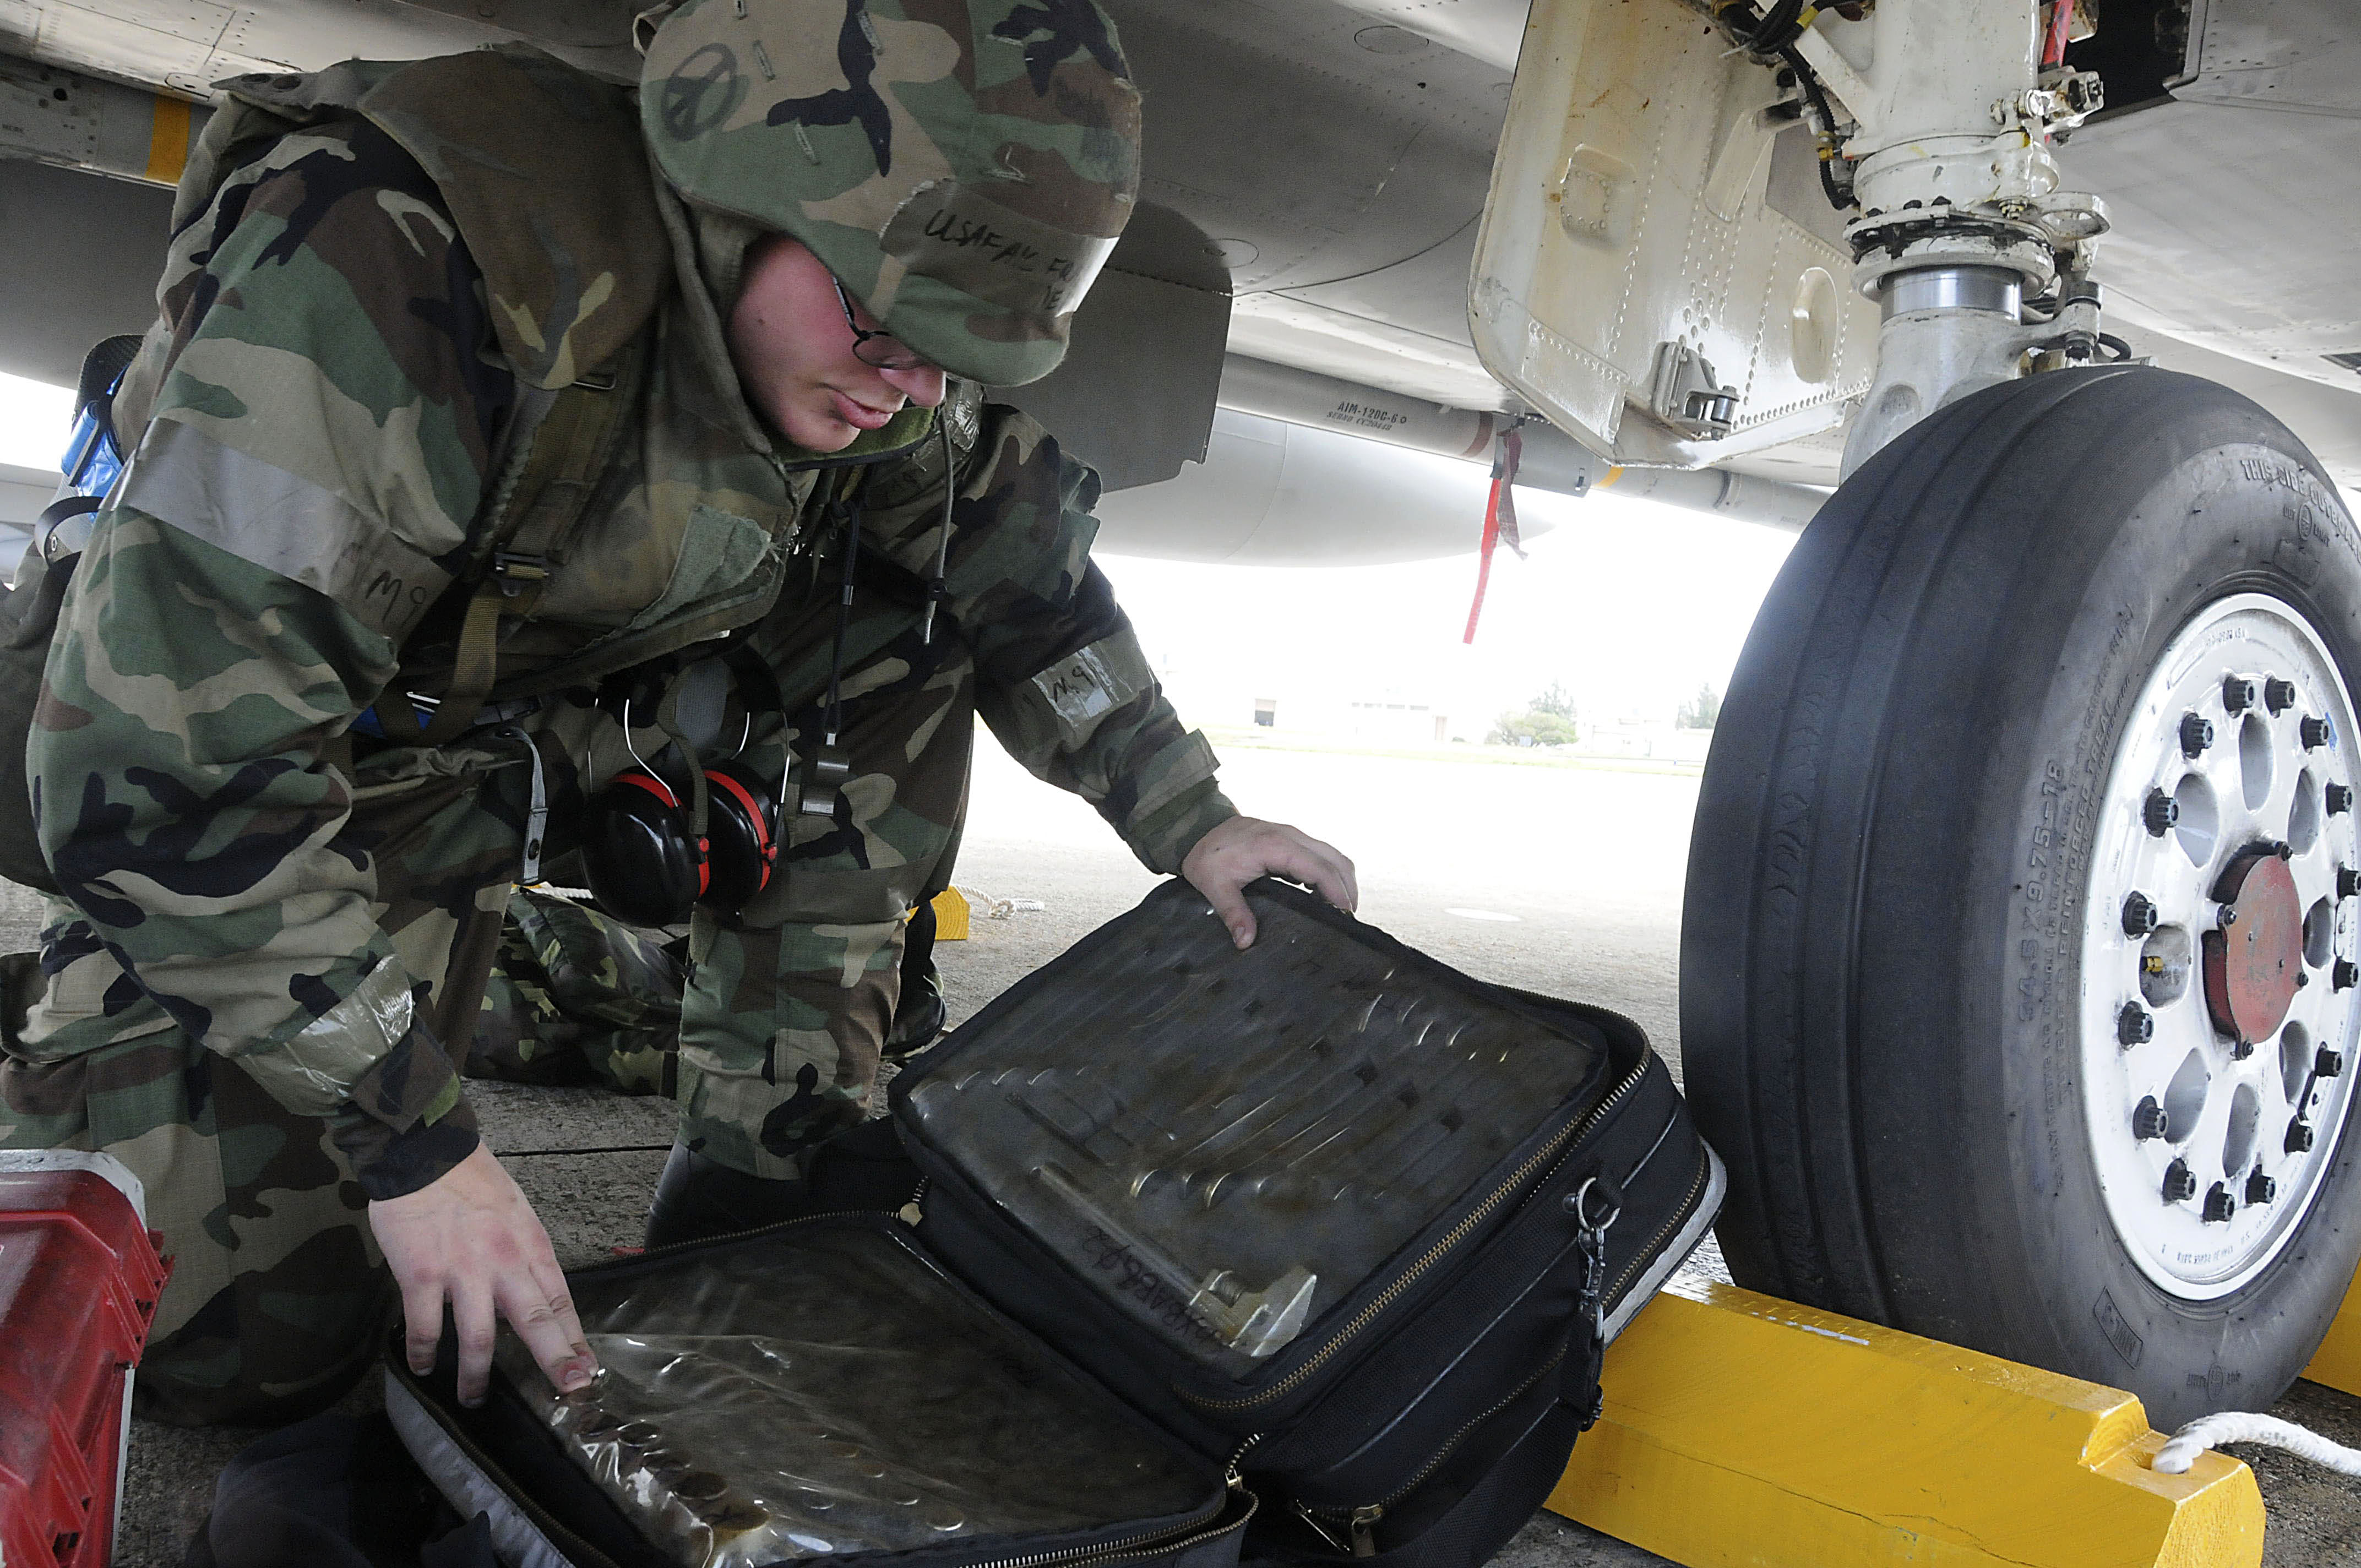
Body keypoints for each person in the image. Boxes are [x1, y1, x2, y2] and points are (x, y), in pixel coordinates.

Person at [0, 0, 1354, 1428]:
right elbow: (162, 766)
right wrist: (417, 1142)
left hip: (527, 728)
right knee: (237, 1356)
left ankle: (773, 1140)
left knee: (906, 614)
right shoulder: (407, 258)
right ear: (733, 196)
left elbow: (1024, 581)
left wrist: (1193, 819)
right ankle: (149, 1023)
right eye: (893, 327)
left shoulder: (876, 356)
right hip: (211, 765)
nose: (914, 385)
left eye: (955, 353)